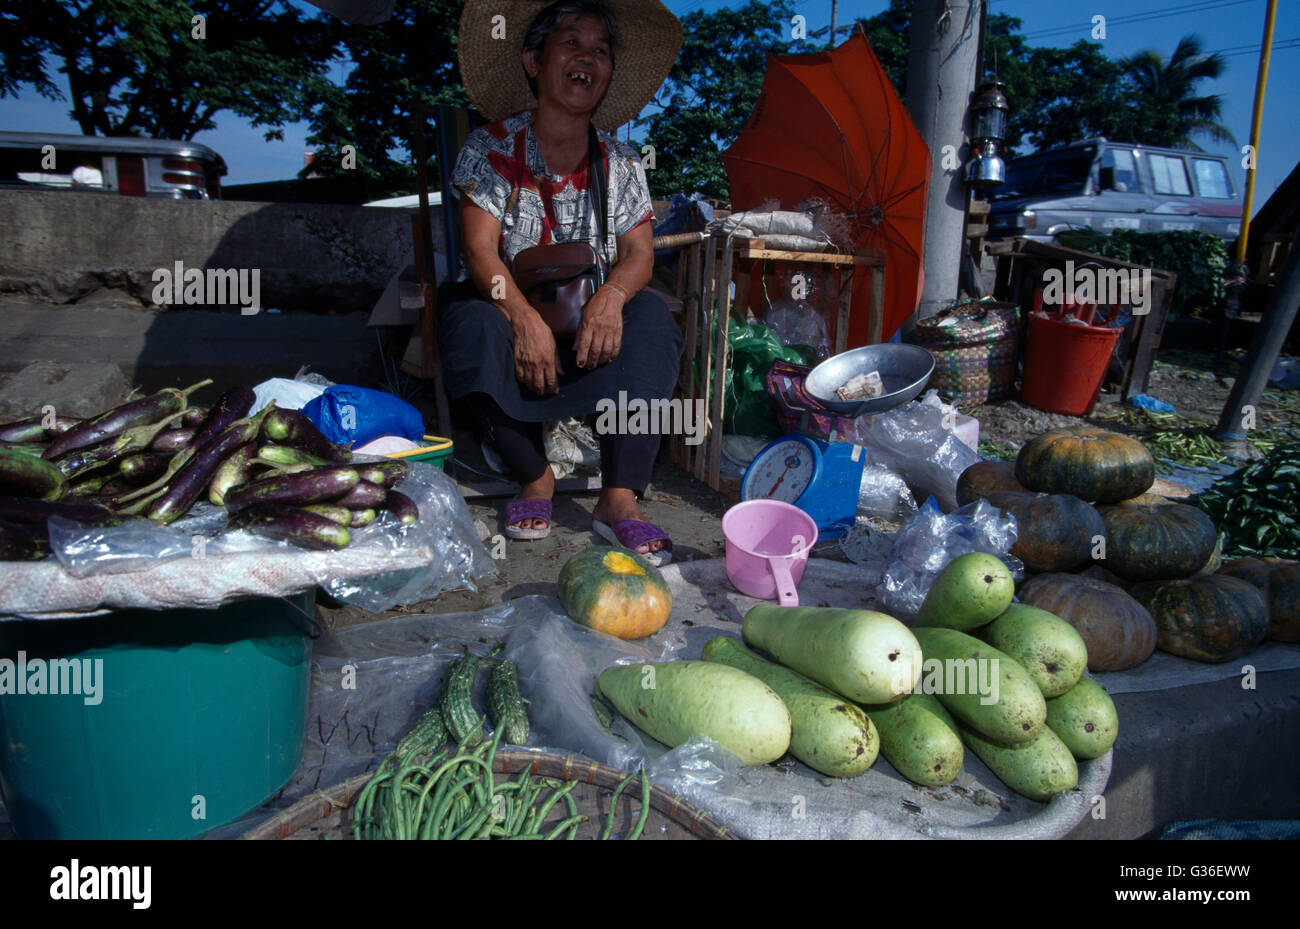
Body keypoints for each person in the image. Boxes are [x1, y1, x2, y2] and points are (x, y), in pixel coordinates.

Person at [441, 0, 683, 565]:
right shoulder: (492, 149)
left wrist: (613, 296)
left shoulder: (620, 160)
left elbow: (639, 254)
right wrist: (524, 320)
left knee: (651, 319)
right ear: (534, 60)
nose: (587, 58)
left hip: (588, 325)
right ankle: (536, 477)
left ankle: (618, 497)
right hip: (512, 313)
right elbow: (479, 251)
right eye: (572, 43)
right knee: (469, 323)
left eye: (600, 50)